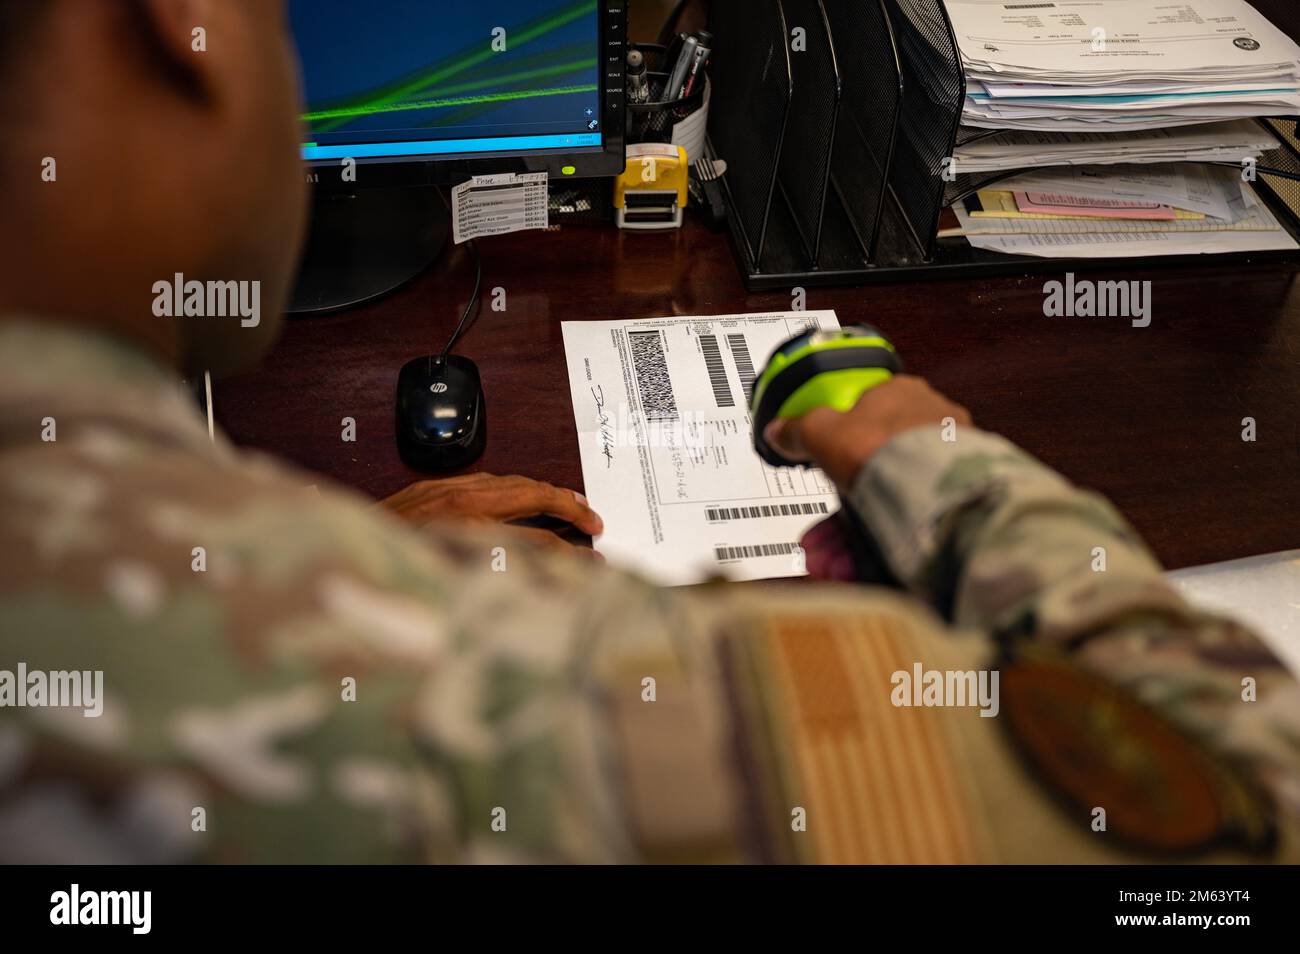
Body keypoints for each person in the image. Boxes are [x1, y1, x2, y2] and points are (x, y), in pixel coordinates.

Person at [1, 0, 1297, 864]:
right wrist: (907, 433)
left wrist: (324, 557)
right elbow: (1235, 797)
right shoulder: (475, 700)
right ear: (187, 34)